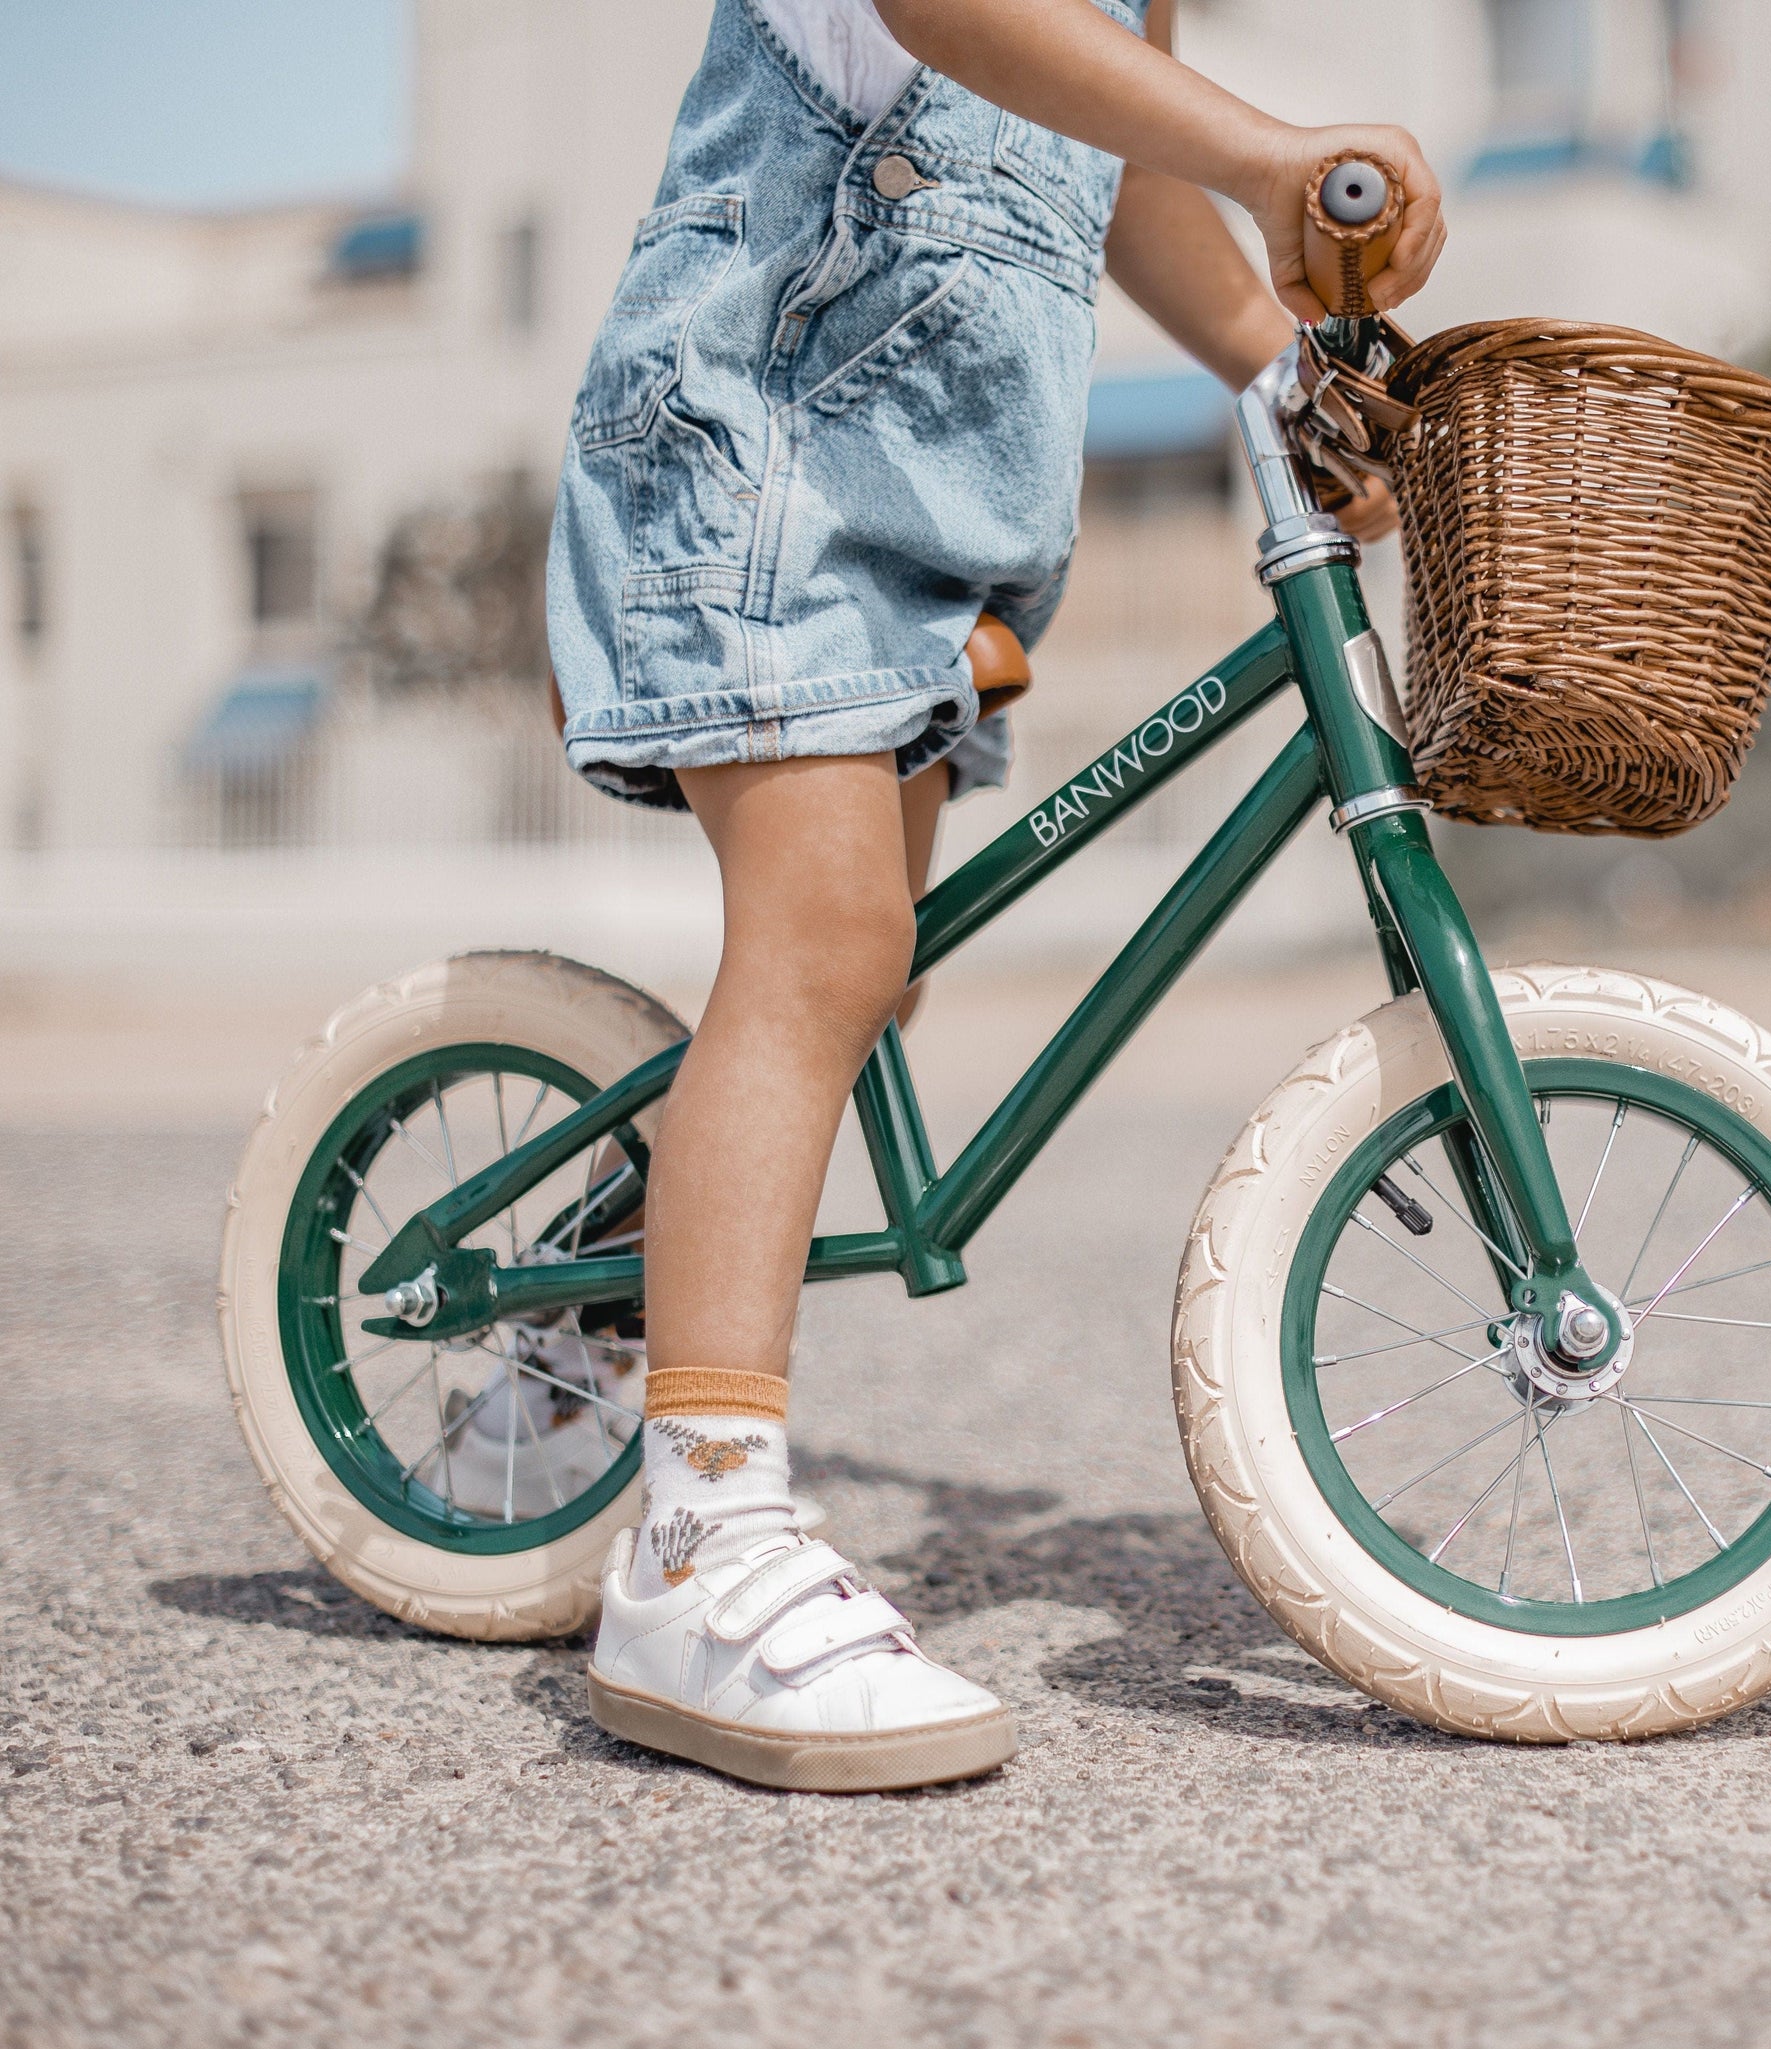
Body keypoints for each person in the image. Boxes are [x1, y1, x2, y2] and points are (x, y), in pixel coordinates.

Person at [547, 0, 1445, 1792]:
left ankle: (580, 1314)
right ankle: (698, 1550)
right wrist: (1267, 147)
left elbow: (1111, 166)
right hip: (763, 460)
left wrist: (1277, 356)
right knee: (819, 961)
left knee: (874, 986)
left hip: (932, 521)